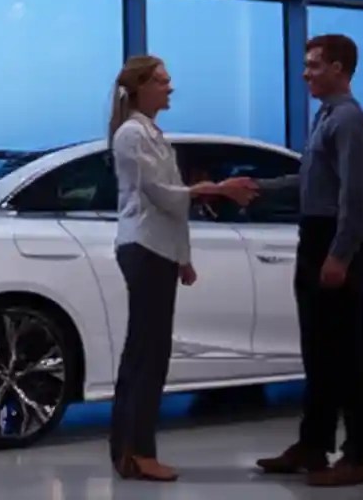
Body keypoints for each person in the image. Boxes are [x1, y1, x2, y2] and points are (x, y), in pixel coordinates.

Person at [107, 54, 259, 482]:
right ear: (140, 87)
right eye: (161, 80)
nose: (169, 87)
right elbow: (165, 194)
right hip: (144, 247)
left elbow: (169, 206)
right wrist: (220, 189)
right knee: (147, 355)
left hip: (156, 249)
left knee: (146, 352)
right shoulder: (132, 134)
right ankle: (137, 452)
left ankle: (130, 451)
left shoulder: (149, 133)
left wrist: (182, 258)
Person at [255, 34, 363, 487]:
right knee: (319, 350)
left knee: (348, 352)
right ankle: (313, 445)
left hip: (333, 239)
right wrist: (258, 188)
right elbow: (311, 181)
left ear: (339, 68)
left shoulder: (348, 119)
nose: (305, 72)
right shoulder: (325, 118)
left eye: (313, 65)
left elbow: (354, 194)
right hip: (315, 237)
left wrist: (340, 254)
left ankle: (359, 455)